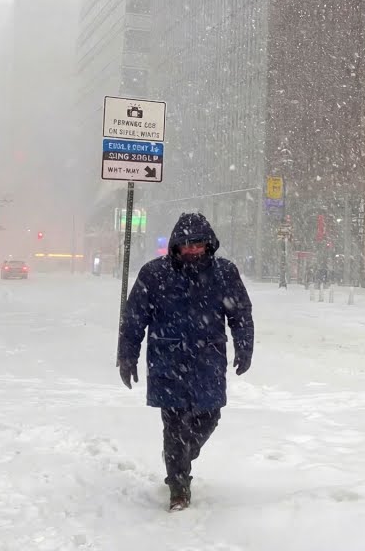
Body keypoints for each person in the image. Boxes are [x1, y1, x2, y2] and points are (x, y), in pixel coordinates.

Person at [117, 212, 254, 512]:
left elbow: (241, 314)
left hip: (209, 360)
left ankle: (180, 458)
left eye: (198, 244)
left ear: (208, 244)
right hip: (167, 362)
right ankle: (179, 487)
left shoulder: (224, 273)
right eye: (186, 245)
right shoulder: (154, 274)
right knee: (175, 424)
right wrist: (127, 355)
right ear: (176, 246)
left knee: (210, 417)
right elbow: (134, 319)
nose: (192, 250)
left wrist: (245, 347)